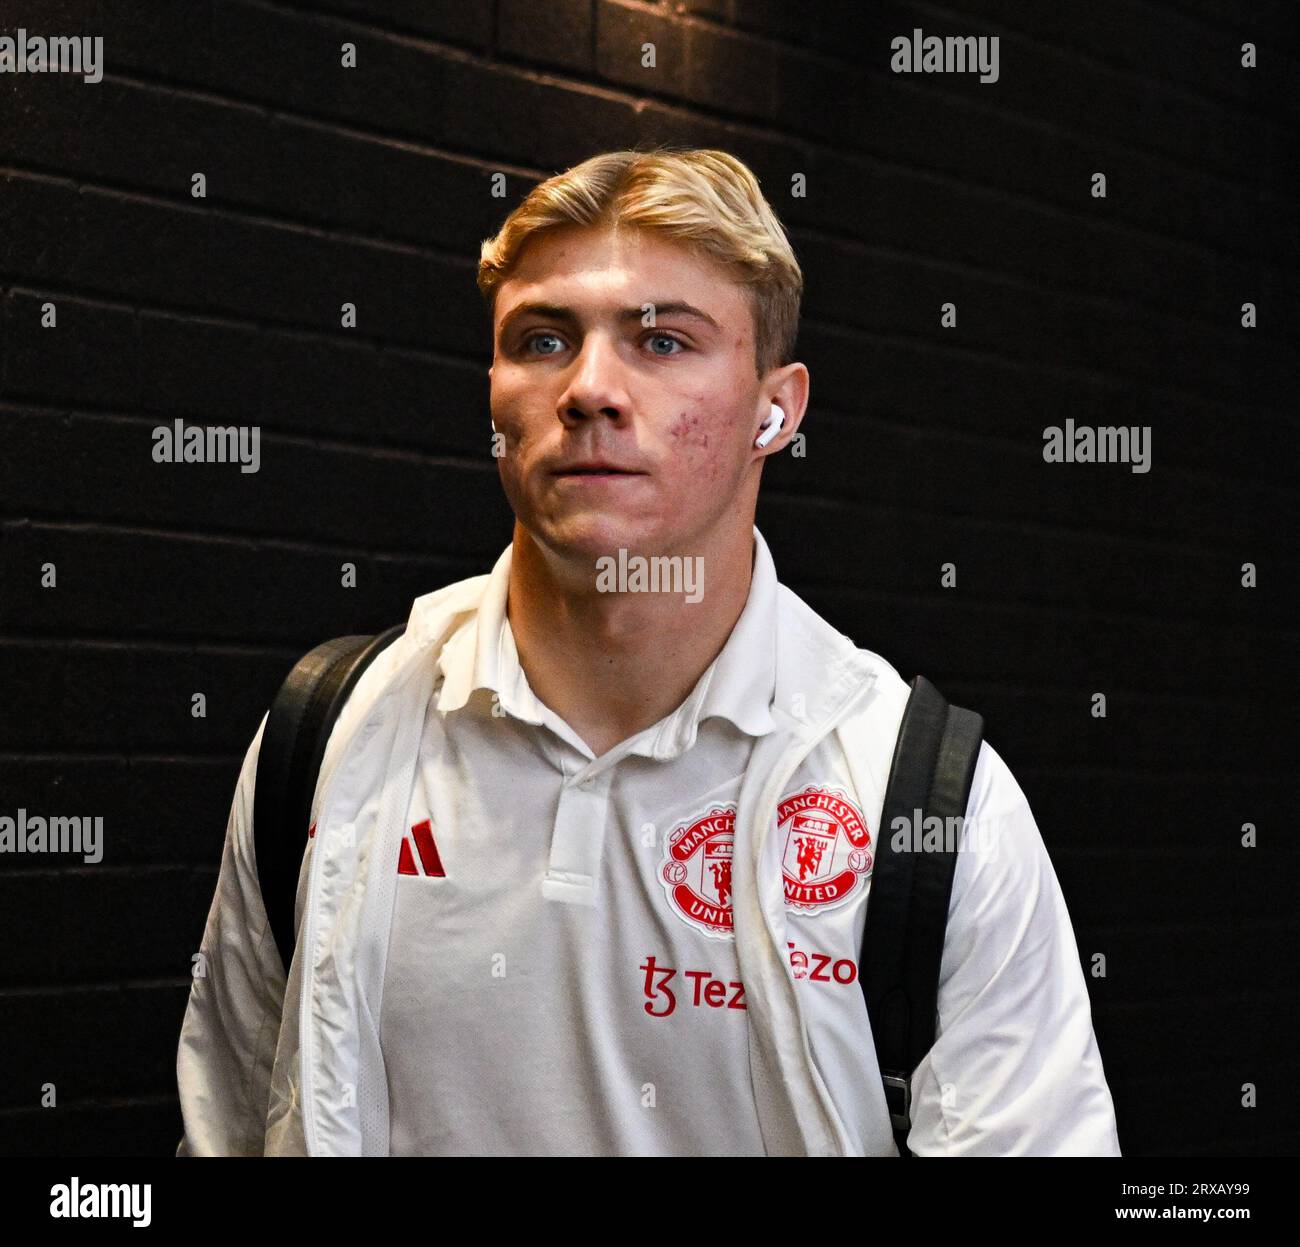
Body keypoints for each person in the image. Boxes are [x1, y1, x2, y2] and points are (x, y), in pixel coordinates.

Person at [175, 145, 1121, 1156]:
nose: (588, 388)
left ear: (776, 407)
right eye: (541, 338)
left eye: (662, 342)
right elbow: (231, 1132)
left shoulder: (922, 803)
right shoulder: (331, 736)